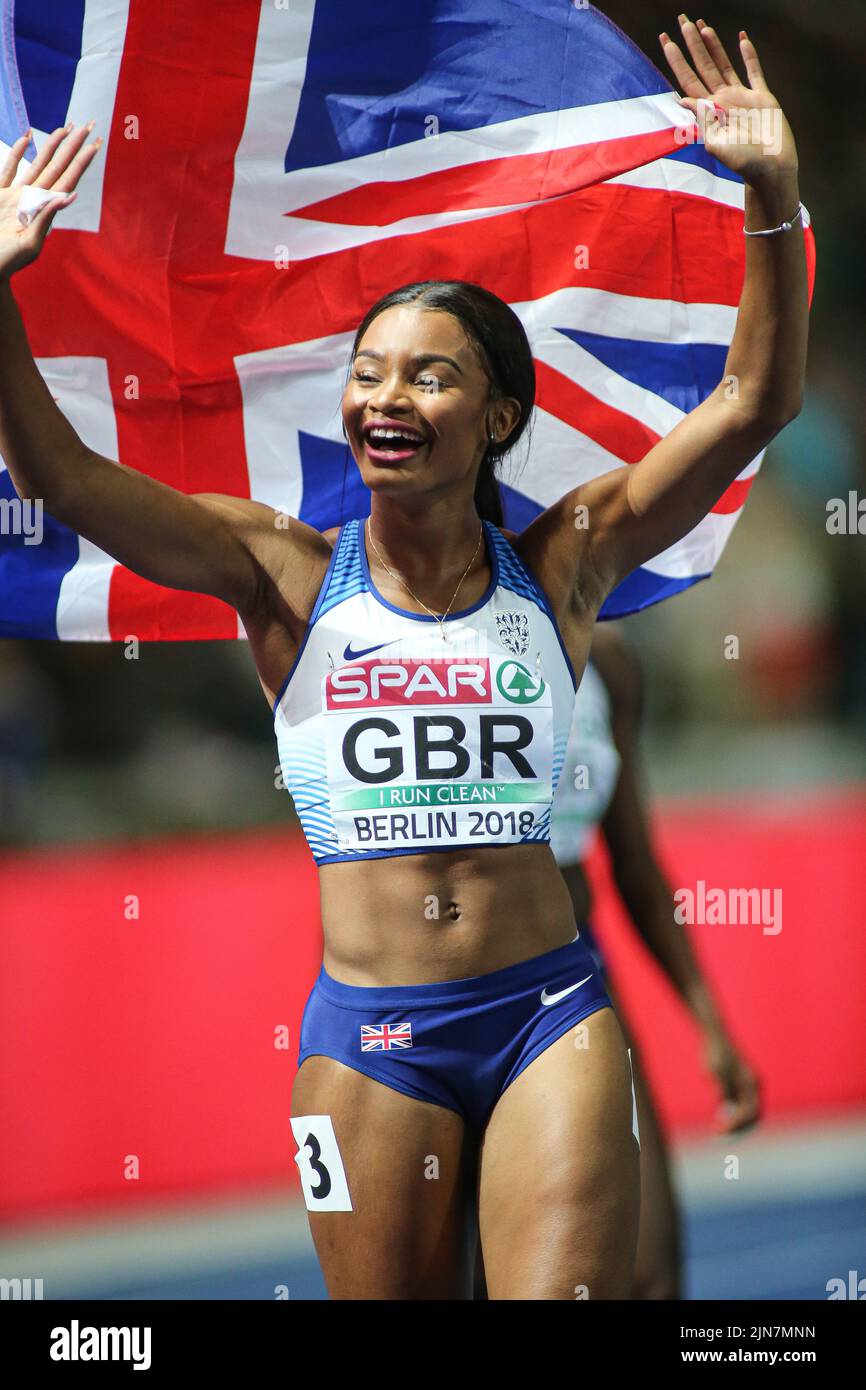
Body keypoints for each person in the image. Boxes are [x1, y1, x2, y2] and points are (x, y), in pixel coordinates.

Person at [0, 18, 807, 1299]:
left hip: (549, 1013)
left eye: (428, 377)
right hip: (367, 1045)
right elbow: (62, 476)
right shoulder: (277, 572)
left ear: (493, 417)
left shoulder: (565, 562)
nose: (385, 397)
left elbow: (749, 403)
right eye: (368, 373)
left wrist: (767, 196)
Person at [547, 625, 761, 1298]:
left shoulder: (605, 659)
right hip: (446, 995)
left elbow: (635, 865)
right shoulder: (413, 645)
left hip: (577, 982)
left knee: (650, 1274)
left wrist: (711, 1024)